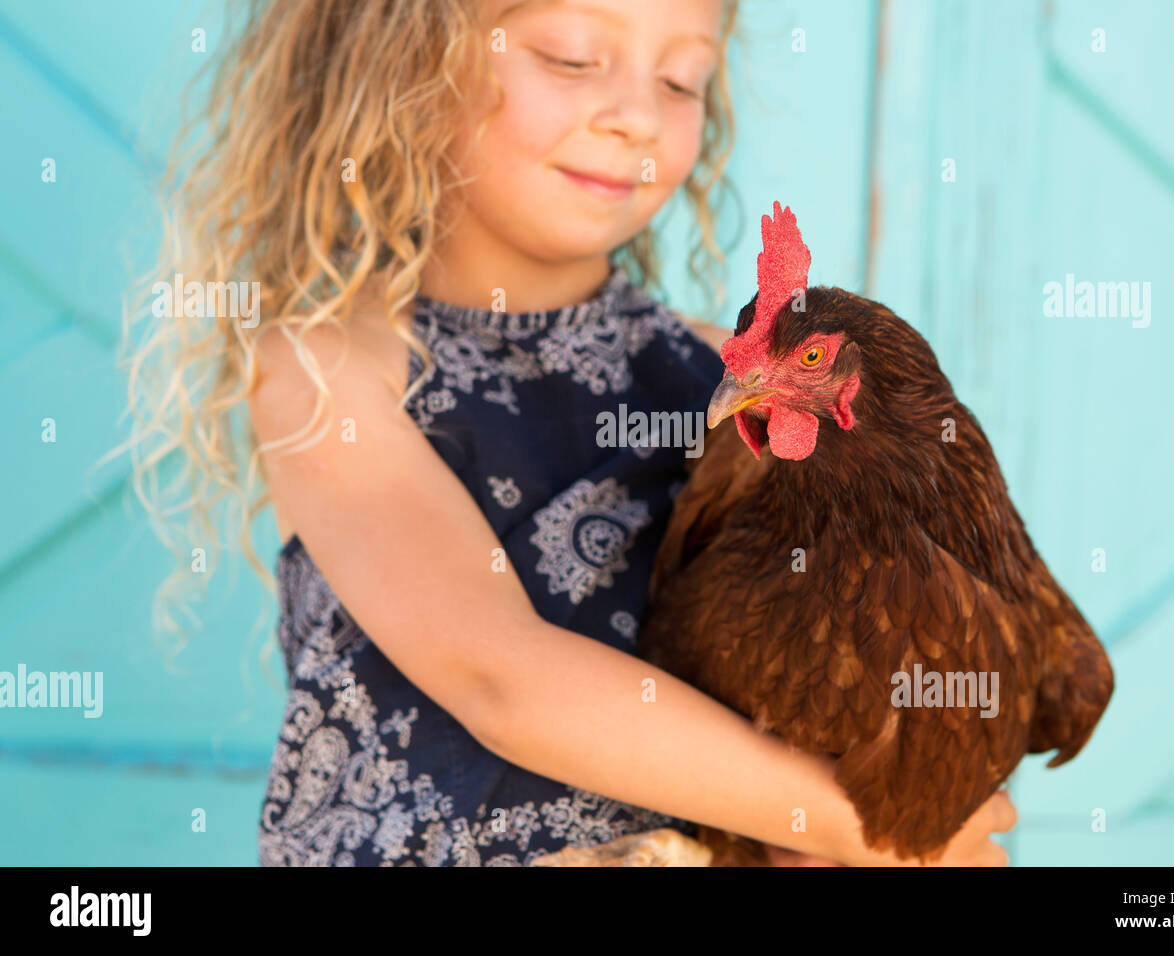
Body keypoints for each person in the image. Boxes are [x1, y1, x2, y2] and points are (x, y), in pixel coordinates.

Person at [126, 0, 1016, 865]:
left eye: (682, 79)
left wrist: (866, 815)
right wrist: (846, 823)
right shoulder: (332, 368)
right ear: (404, 62)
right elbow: (497, 675)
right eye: (573, 58)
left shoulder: (733, 383)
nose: (636, 116)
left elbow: (852, 650)